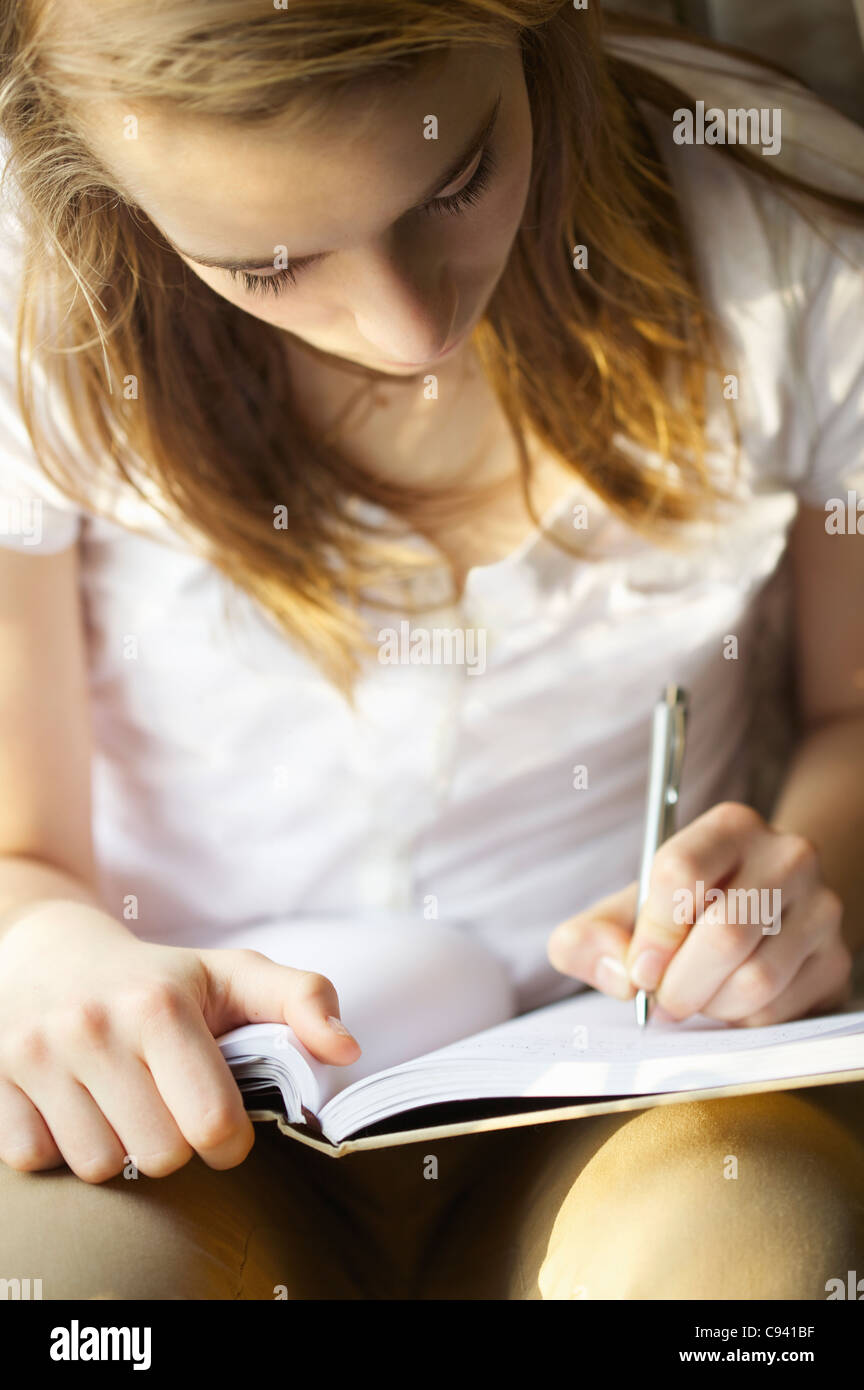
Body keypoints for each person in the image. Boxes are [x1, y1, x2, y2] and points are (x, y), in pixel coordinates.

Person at [0, 0, 863, 1300]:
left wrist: (792, 894)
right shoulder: (33, 303)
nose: (412, 330)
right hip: (203, 1112)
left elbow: (853, 712)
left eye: (455, 178)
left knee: (756, 1270)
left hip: (629, 1084)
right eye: (269, 263)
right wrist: (48, 954)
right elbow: (21, 854)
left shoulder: (781, 237)